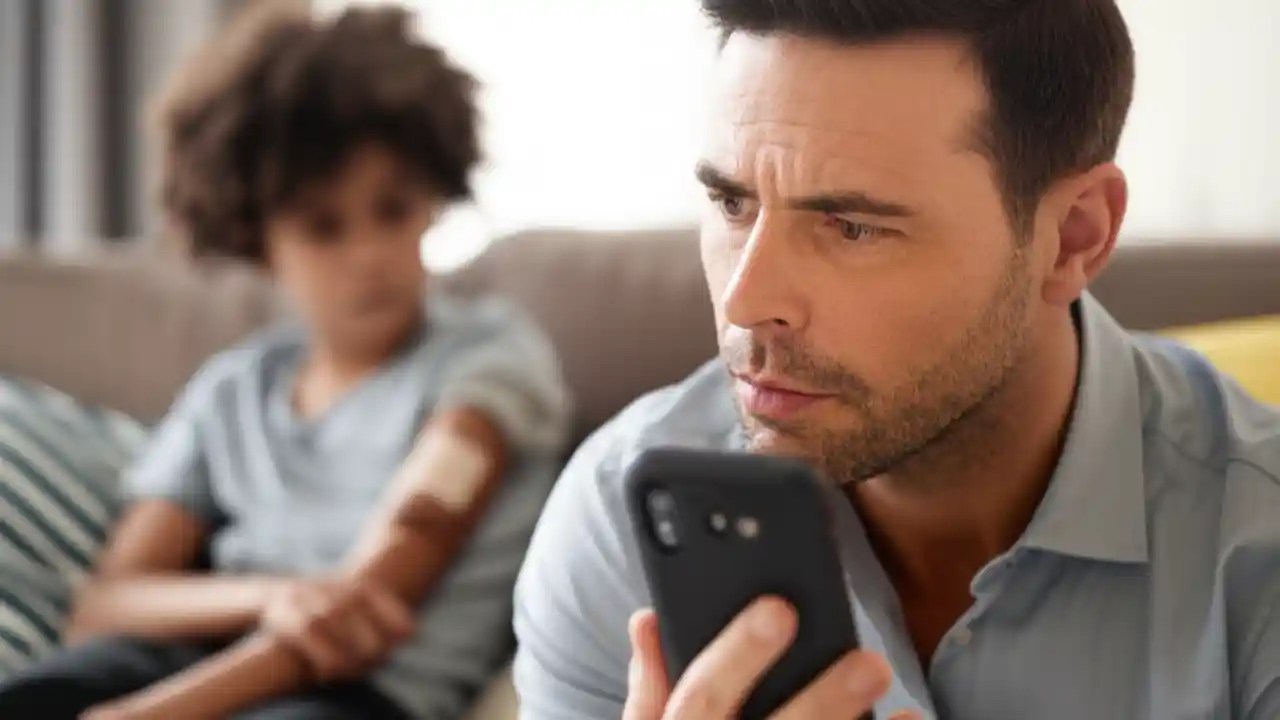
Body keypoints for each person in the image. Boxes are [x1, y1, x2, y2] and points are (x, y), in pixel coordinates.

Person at [512, 0, 1280, 718]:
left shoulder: (1255, 551)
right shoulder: (622, 525)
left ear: (1074, 236)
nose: (747, 302)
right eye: (732, 204)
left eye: (851, 228)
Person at [0, 4, 570, 719]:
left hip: (359, 695)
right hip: (201, 653)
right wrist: (275, 595)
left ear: (433, 198)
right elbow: (107, 603)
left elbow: (368, 607)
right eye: (323, 227)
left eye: (392, 209)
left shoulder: (491, 359)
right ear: (256, 240)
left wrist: (149, 715)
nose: (368, 255)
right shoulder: (234, 388)